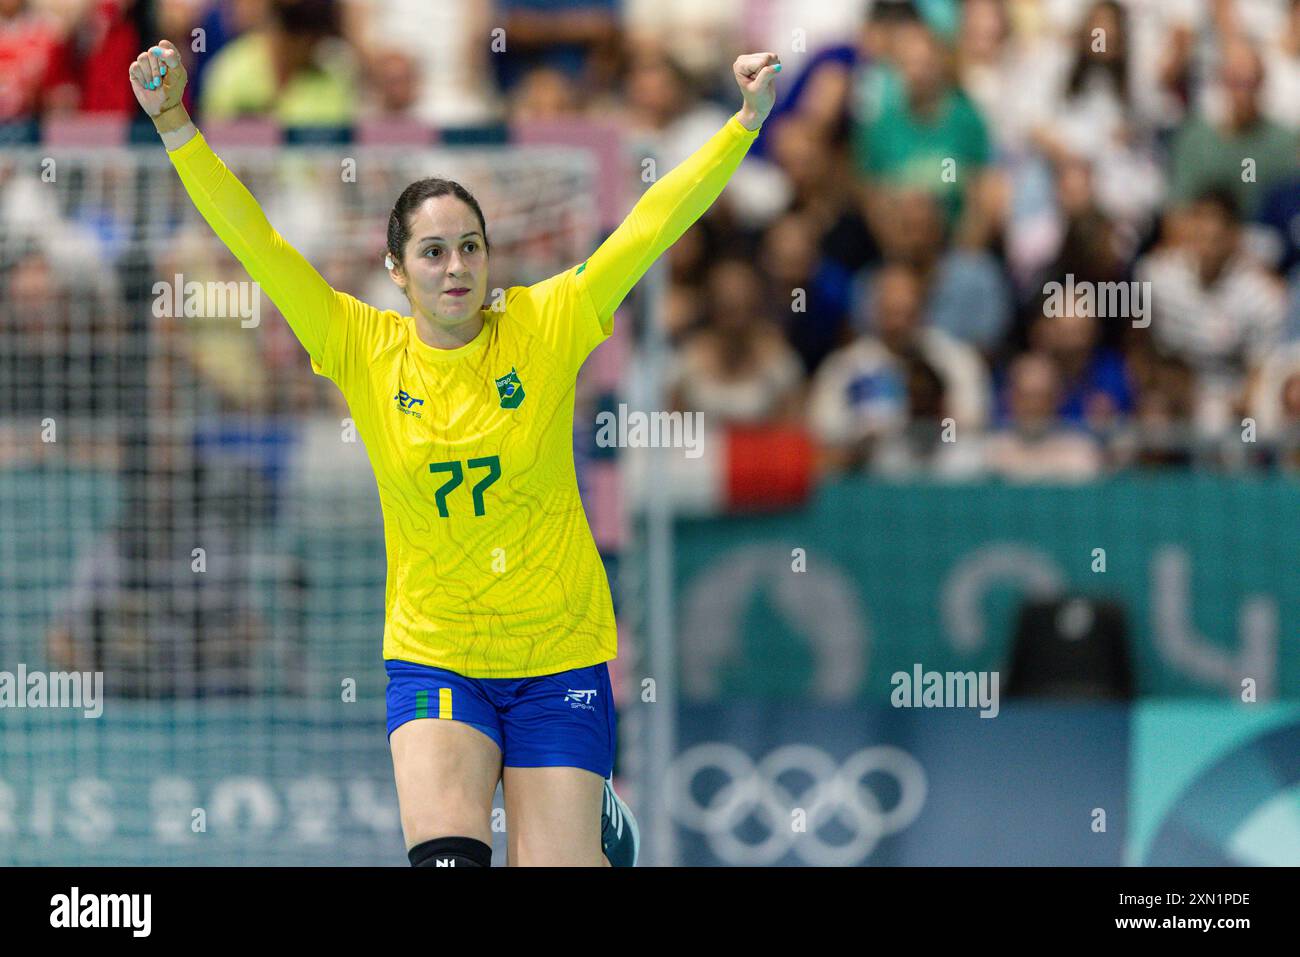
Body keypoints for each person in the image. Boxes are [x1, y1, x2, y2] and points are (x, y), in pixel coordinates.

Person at [129, 39, 781, 866]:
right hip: (438, 655)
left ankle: (594, 822)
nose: (456, 267)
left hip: (560, 656)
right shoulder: (359, 344)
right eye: (433, 252)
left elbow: (652, 225)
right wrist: (175, 123)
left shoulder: (545, 325)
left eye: (471, 246)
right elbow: (257, 242)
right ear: (396, 270)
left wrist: (745, 123)